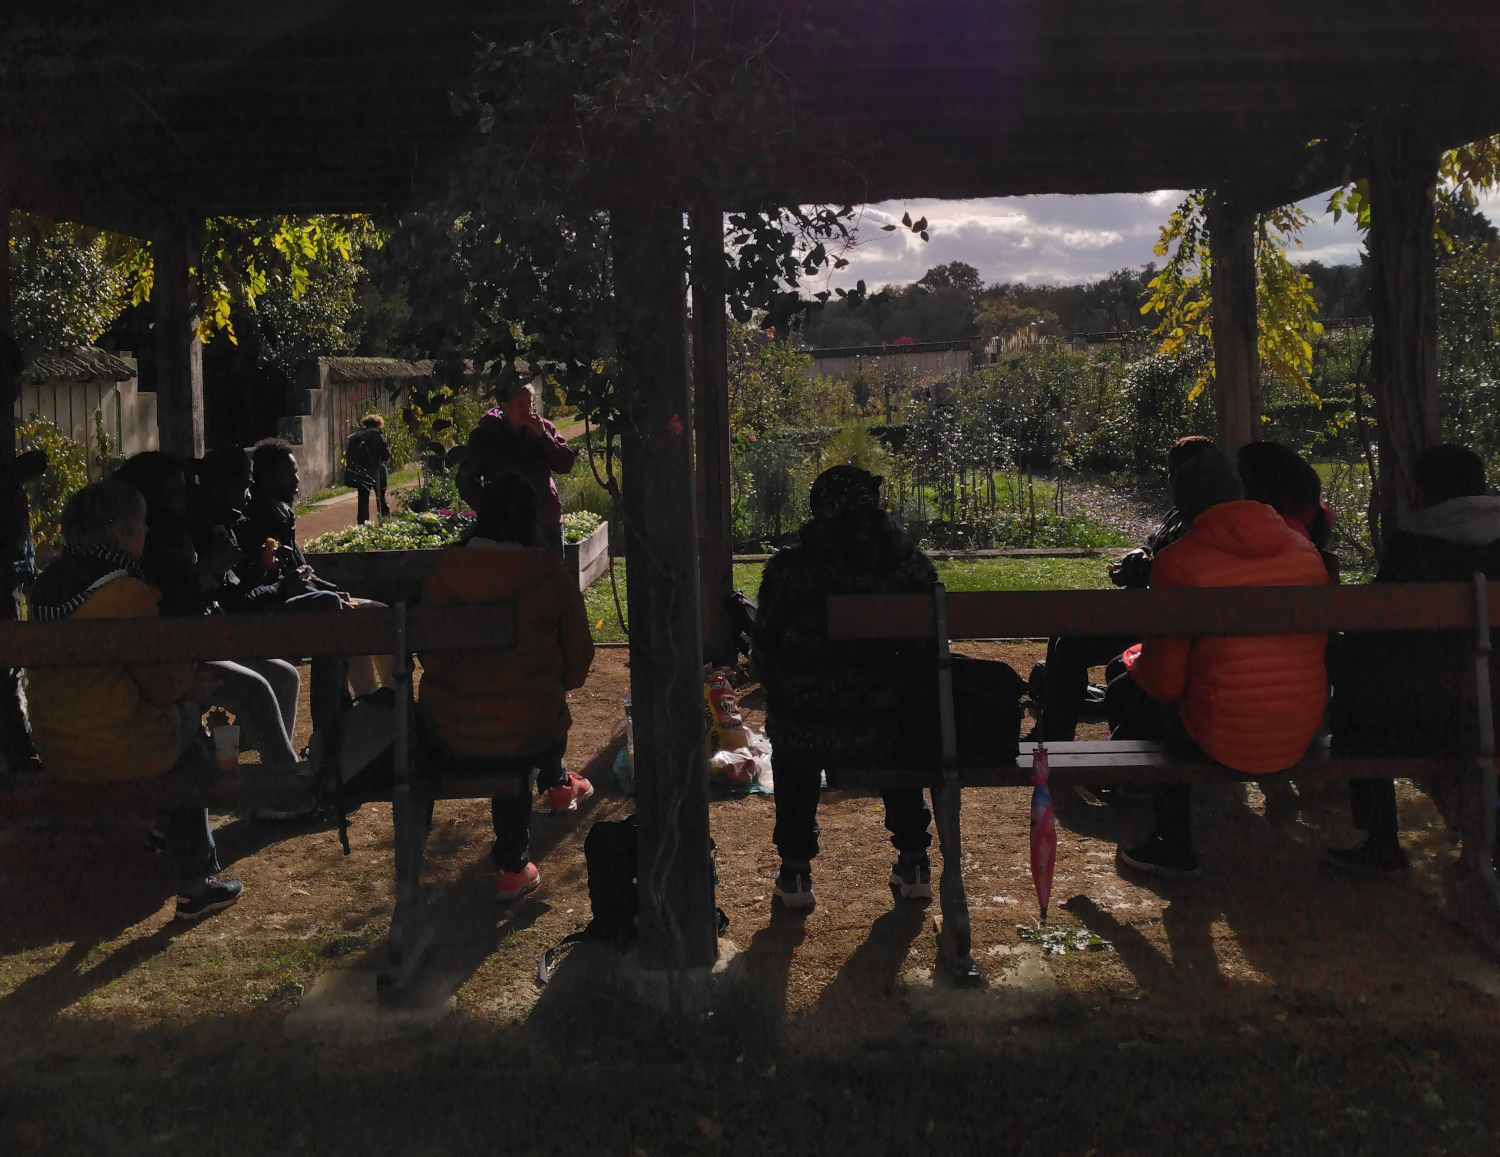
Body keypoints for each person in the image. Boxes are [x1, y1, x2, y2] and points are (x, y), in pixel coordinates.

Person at [24, 480, 243, 921]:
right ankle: (195, 883)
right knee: (192, 741)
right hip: (116, 749)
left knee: (175, 735)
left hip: (55, 748)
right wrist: (189, 687)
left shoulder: (44, 587)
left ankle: (165, 834)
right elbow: (161, 683)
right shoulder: (126, 591)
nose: (147, 534)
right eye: (142, 527)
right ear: (122, 537)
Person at [1107, 447, 1331, 876]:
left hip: (1224, 739)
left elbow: (1166, 684)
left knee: (1158, 700)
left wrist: (1137, 664)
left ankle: (1173, 842)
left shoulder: (1177, 562)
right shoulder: (1305, 552)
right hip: (1300, 729)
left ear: (1186, 506)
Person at [753, 465, 945, 910]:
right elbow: (929, 652)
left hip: (809, 730)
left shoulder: (790, 571)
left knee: (791, 730)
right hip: (886, 727)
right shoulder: (910, 567)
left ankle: (796, 871)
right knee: (900, 717)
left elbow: (764, 659)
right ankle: (914, 859)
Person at [416, 472, 595, 900]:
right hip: (530, 731)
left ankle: (550, 798)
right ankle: (513, 864)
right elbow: (578, 659)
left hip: (450, 731)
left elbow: (429, 651)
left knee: (510, 723)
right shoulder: (547, 573)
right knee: (522, 728)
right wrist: (551, 684)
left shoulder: (447, 569)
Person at [1328, 444, 1500, 877]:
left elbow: (1378, 637)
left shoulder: (1413, 544)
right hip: (1494, 707)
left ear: (1422, 492)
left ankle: (1381, 842)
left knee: (1357, 709)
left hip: (1430, 718)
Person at [112, 452, 300, 768]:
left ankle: (274, 787)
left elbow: (212, 591)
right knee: (257, 691)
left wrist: (220, 570)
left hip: (199, 640)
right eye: (172, 493)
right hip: (169, 658)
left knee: (284, 675)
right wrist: (209, 573)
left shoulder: (183, 529)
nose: (183, 499)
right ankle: (285, 786)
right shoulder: (141, 544)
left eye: (184, 489)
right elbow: (165, 610)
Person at [1034, 435, 1216, 743]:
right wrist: (1140, 555)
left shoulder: (1206, 520)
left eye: (1176, 473)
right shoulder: (1180, 511)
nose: (1170, 481)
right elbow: (1154, 546)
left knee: (1069, 645)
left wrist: (1147, 571)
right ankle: (1053, 732)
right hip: (1144, 612)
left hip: (1160, 625)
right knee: (1062, 632)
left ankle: (1055, 741)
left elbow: (1185, 577)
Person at [456, 381, 577, 557]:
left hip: (545, 522)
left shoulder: (542, 429)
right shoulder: (486, 435)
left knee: (552, 578)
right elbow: (466, 480)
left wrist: (544, 436)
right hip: (505, 531)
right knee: (514, 580)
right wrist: (491, 509)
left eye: (530, 404)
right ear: (504, 406)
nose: (528, 410)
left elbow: (565, 464)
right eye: (521, 405)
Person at [344, 414, 391, 525]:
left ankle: (363, 523)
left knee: (363, 499)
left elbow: (349, 456)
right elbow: (386, 454)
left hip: (362, 473)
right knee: (381, 496)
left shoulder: (357, 436)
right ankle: (384, 520)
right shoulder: (378, 435)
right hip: (377, 471)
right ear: (378, 424)